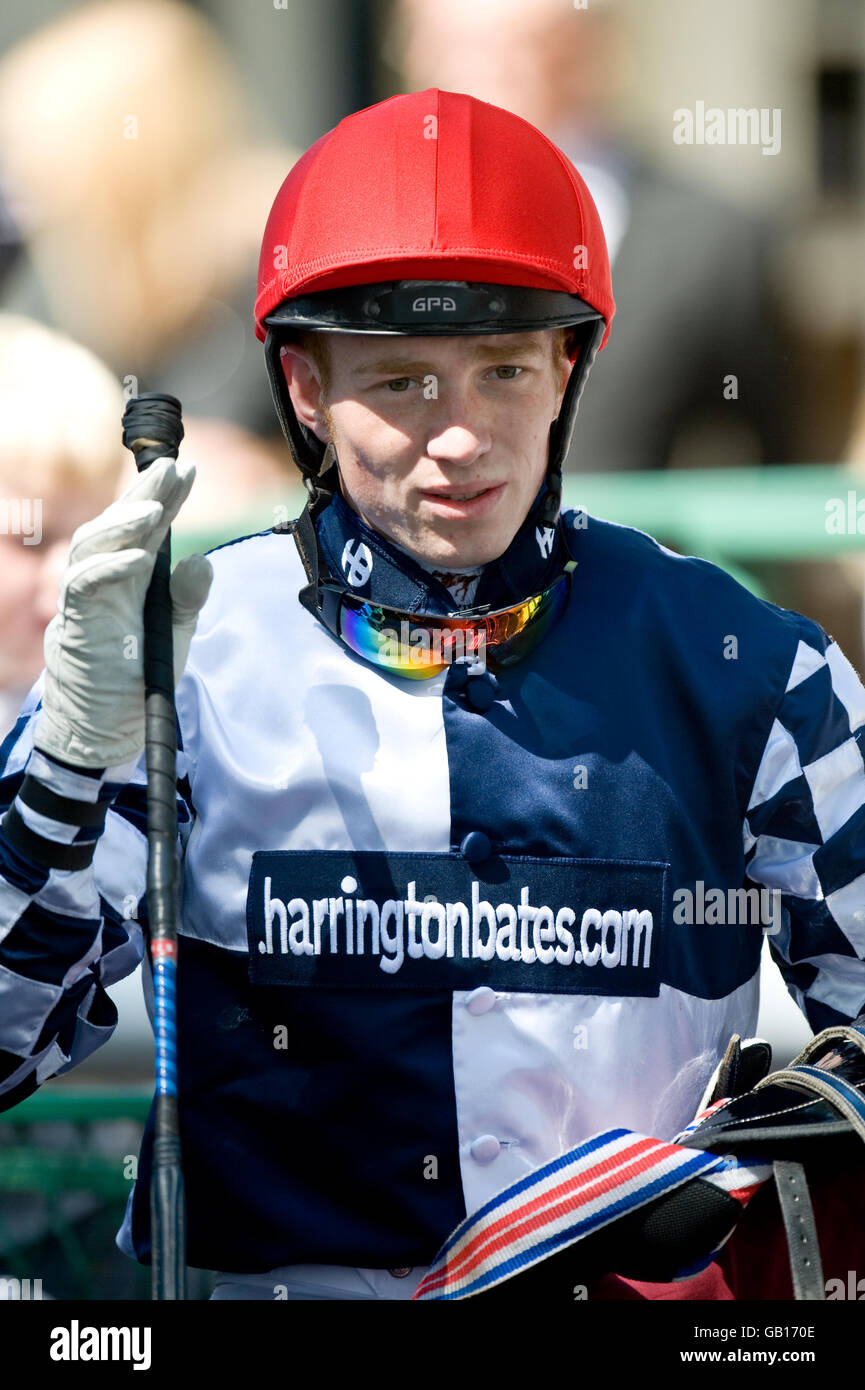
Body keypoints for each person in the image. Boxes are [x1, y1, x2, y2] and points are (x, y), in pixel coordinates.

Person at [0, 89, 863, 1302]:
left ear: (569, 370)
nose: (460, 437)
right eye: (401, 383)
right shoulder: (177, 659)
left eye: (503, 369)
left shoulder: (759, 667)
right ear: (302, 389)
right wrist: (64, 768)